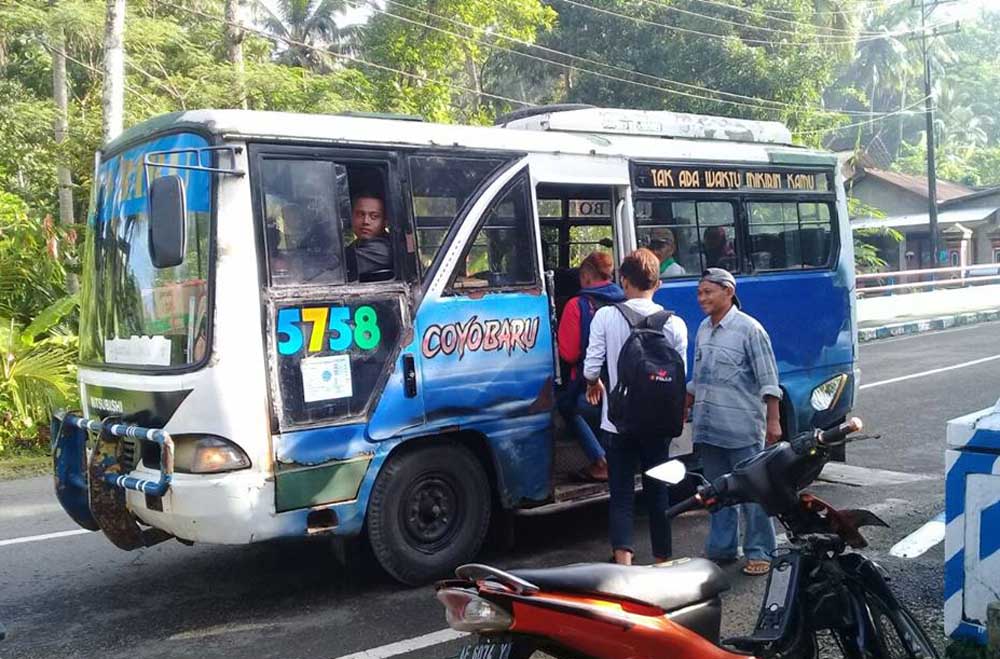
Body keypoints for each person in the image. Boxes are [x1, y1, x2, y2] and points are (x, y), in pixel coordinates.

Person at [583, 249, 688, 565]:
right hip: (659, 424)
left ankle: (624, 565)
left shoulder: (606, 315)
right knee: (658, 491)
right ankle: (662, 561)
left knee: (622, 495)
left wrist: (594, 383)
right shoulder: (675, 324)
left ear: (623, 280)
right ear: (657, 282)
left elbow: (591, 367)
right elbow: (680, 374)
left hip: (618, 422)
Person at [686, 267, 781, 576]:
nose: (702, 298)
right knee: (717, 491)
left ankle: (761, 550)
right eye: (700, 293)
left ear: (728, 292)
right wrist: (683, 411)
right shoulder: (702, 328)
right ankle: (723, 548)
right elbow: (696, 379)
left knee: (753, 492)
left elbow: (769, 381)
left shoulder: (750, 330)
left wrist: (773, 422)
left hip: (741, 429)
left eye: (708, 292)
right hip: (709, 427)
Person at [556, 251, 625, 482]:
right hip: (622, 383)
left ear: (585, 277)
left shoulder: (577, 305)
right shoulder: (625, 301)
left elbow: (568, 353)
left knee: (567, 406)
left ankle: (600, 460)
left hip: (591, 387)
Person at [346, 193, 393, 281]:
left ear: (385, 222)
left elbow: (337, 265)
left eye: (374, 216)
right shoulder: (359, 243)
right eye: (360, 214)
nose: (365, 221)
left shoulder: (382, 249)